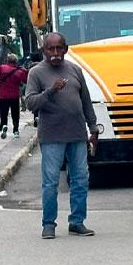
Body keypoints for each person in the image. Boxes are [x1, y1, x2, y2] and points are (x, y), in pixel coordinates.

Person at [25, 32, 99, 240]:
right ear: (44, 51)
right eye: (51, 49)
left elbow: (85, 100)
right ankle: (48, 224)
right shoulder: (36, 73)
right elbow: (30, 103)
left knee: (80, 180)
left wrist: (93, 128)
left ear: (66, 49)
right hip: (52, 136)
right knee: (50, 182)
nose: (56, 53)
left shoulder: (75, 70)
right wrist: (51, 91)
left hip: (77, 134)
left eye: (60, 48)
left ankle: (77, 221)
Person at [0, 53, 28, 139]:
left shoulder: (2, 68)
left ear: (7, 60)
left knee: (4, 113)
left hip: (3, 95)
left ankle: (3, 126)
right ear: (16, 61)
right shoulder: (19, 71)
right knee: (15, 114)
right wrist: (25, 71)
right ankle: (16, 130)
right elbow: (26, 80)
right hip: (14, 96)